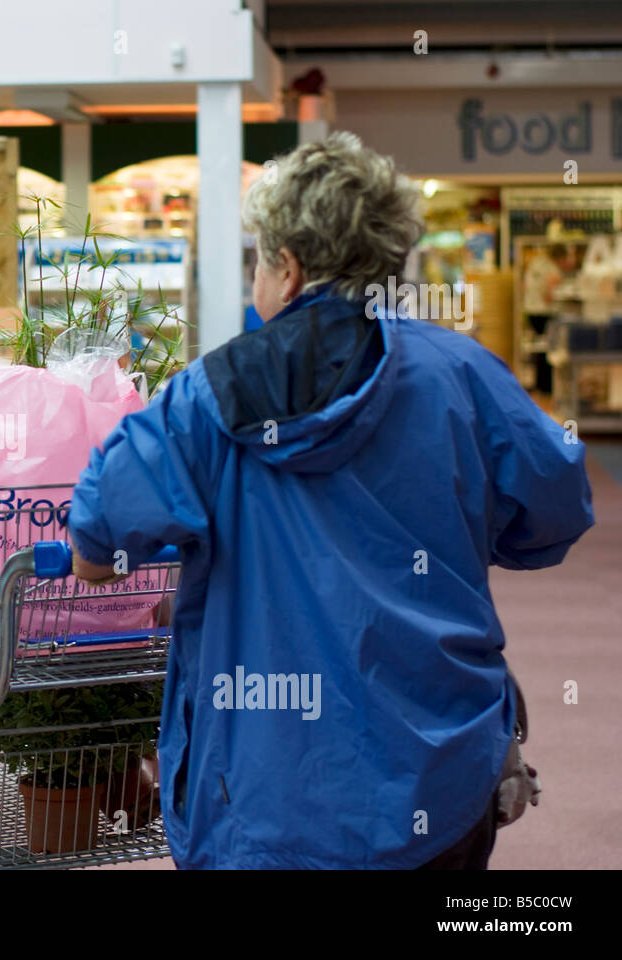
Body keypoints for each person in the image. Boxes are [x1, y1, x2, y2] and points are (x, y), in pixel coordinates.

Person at [66, 132, 594, 869]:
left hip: (262, 794)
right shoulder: (465, 375)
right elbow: (554, 518)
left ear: (288, 267)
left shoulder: (203, 397)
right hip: (438, 779)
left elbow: (96, 547)